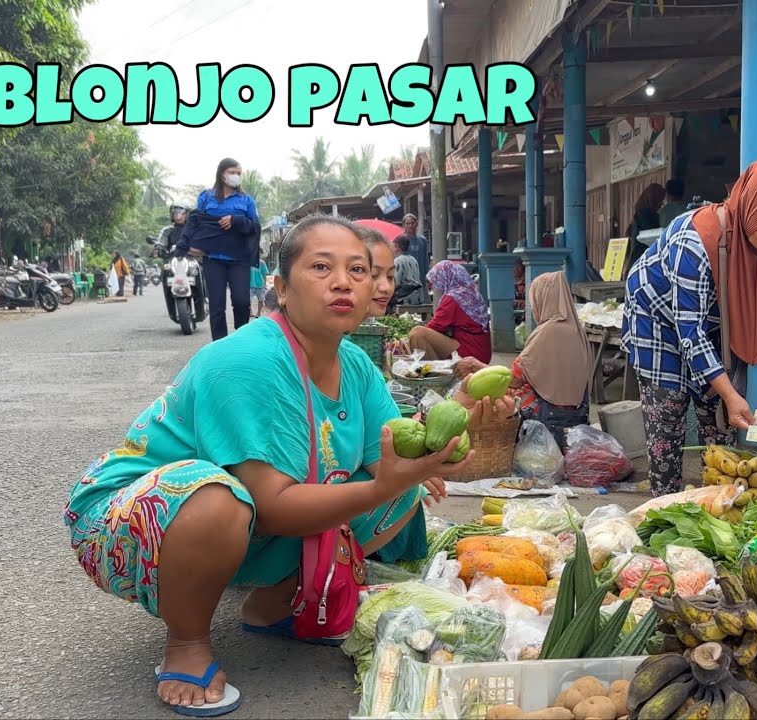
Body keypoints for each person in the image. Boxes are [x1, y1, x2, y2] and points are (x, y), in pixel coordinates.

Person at [63, 215, 470, 717]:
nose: (343, 281)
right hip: (135, 520)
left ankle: (275, 604)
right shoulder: (247, 359)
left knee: (403, 488)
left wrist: (465, 413)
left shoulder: (358, 365)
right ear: (281, 288)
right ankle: (187, 643)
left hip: (247, 515)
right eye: (321, 267)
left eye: (359, 270)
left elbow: (395, 454)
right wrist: (384, 484)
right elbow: (274, 507)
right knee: (217, 496)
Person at [623, 161, 757, 496]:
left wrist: (728, 394)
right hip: (657, 322)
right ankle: (666, 506)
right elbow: (688, 333)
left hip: (714, 321)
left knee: (721, 418)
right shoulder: (693, 242)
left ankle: (721, 505)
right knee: (669, 414)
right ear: (751, 210)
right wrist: (730, 392)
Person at [457, 271, 591, 448]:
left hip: (549, 414)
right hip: (577, 412)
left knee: (500, 397)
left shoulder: (548, 332)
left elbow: (513, 380)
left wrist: (478, 367)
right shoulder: (576, 329)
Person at [174, 158, 261, 341]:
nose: (236, 176)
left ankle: (240, 340)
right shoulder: (206, 197)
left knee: (242, 302)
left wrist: (236, 220)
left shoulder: (246, 200)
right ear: (222, 174)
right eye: (232, 172)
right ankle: (220, 346)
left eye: (238, 173)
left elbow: (255, 226)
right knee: (216, 306)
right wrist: (183, 245)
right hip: (213, 259)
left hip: (239, 260)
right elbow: (194, 221)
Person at [407, 262, 492, 363]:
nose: (437, 286)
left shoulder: (454, 298)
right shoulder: (471, 293)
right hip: (482, 352)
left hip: (470, 352)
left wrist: (405, 340)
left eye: (437, 281)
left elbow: (435, 326)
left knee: (417, 334)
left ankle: (435, 374)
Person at [626, 183, 668, 271]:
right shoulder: (646, 215)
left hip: (637, 260)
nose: (661, 204)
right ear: (653, 200)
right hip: (643, 259)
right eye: (659, 200)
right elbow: (651, 237)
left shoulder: (640, 213)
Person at [391, 235, 427, 306]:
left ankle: (396, 317)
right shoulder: (413, 259)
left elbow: (396, 283)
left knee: (385, 303)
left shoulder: (398, 260)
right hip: (419, 296)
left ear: (397, 246)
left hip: (406, 297)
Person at [400, 214, 430, 283]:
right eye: (407, 223)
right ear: (404, 225)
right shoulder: (401, 240)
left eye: (412, 223)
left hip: (421, 278)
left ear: (416, 224)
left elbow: (426, 258)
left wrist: (427, 274)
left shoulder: (423, 240)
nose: (410, 225)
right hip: (407, 279)